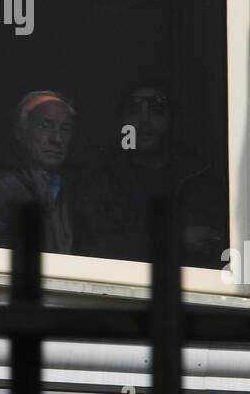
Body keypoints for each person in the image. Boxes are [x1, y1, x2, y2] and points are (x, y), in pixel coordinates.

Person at [90, 83, 227, 267]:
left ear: (172, 120)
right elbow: (97, 246)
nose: (145, 121)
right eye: (134, 110)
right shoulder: (101, 176)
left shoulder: (197, 177)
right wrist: (177, 240)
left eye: (157, 110)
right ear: (122, 121)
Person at [0, 91, 81, 254]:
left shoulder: (79, 192)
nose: (57, 139)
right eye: (44, 127)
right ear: (20, 133)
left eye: (64, 129)